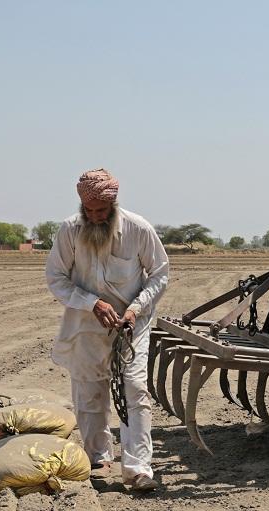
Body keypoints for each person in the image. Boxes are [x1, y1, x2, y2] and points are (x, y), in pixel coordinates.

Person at [46, 168, 169, 492]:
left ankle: (138, 470)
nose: (95, 217)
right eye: (89, 211)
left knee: (135, 389)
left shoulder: (138, 229)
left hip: (131, 327)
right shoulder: (70, 230)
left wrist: (135, 309)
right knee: (89, 392)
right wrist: (92, 304)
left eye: (101, 210)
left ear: (113, 205)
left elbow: (159, 273)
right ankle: (97, 458)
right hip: (86, 324)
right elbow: (56, 278)